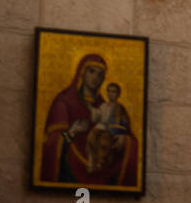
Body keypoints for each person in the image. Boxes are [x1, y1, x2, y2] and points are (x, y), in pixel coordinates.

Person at [39, 54, 139, 189]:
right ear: (82, 73)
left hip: (103, 171)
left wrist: (123, 140)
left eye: (100, 74)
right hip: (69, 173)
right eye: (91, 71)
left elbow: (128, 137)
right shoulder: (64, 103)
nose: (95, 78)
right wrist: (72, 132)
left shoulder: (106, 106)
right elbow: (51, 145)